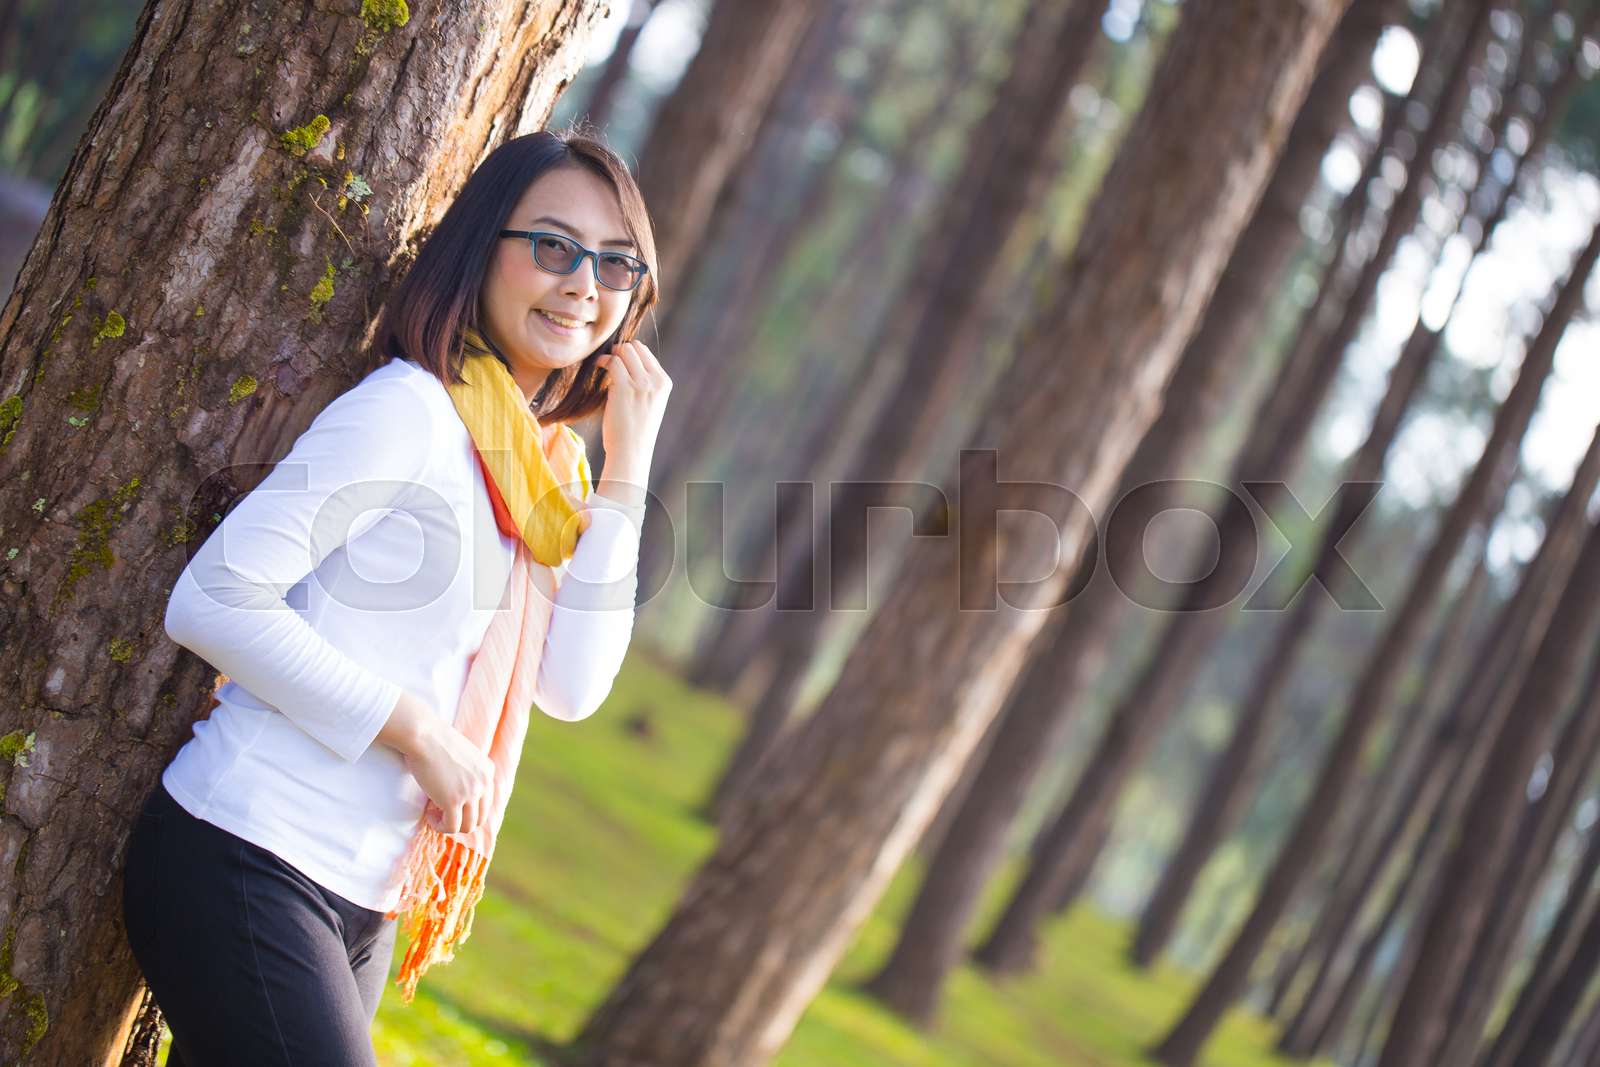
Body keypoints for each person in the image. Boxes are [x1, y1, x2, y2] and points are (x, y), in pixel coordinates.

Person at [120, 127, 671, 1066]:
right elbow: (213, 598)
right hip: (247, 846)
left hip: (367, 896)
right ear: (480, 246)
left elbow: (570, 689)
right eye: (553, 246)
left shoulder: (551, 480)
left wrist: (627, 472)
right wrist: (416, 730)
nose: (585, 284)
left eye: (616, 265)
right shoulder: (411, 413)